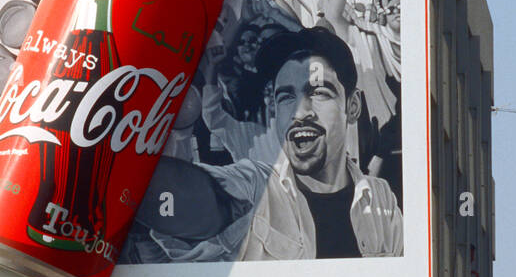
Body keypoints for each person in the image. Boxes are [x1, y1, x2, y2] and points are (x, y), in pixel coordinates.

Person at [135, 25, 403, 263]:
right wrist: (179, 133)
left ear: (352, 106)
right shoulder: (254, 188)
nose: (300, 112)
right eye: (286, 97)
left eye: (319, 92)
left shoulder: (381, 198)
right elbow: (174, 203)